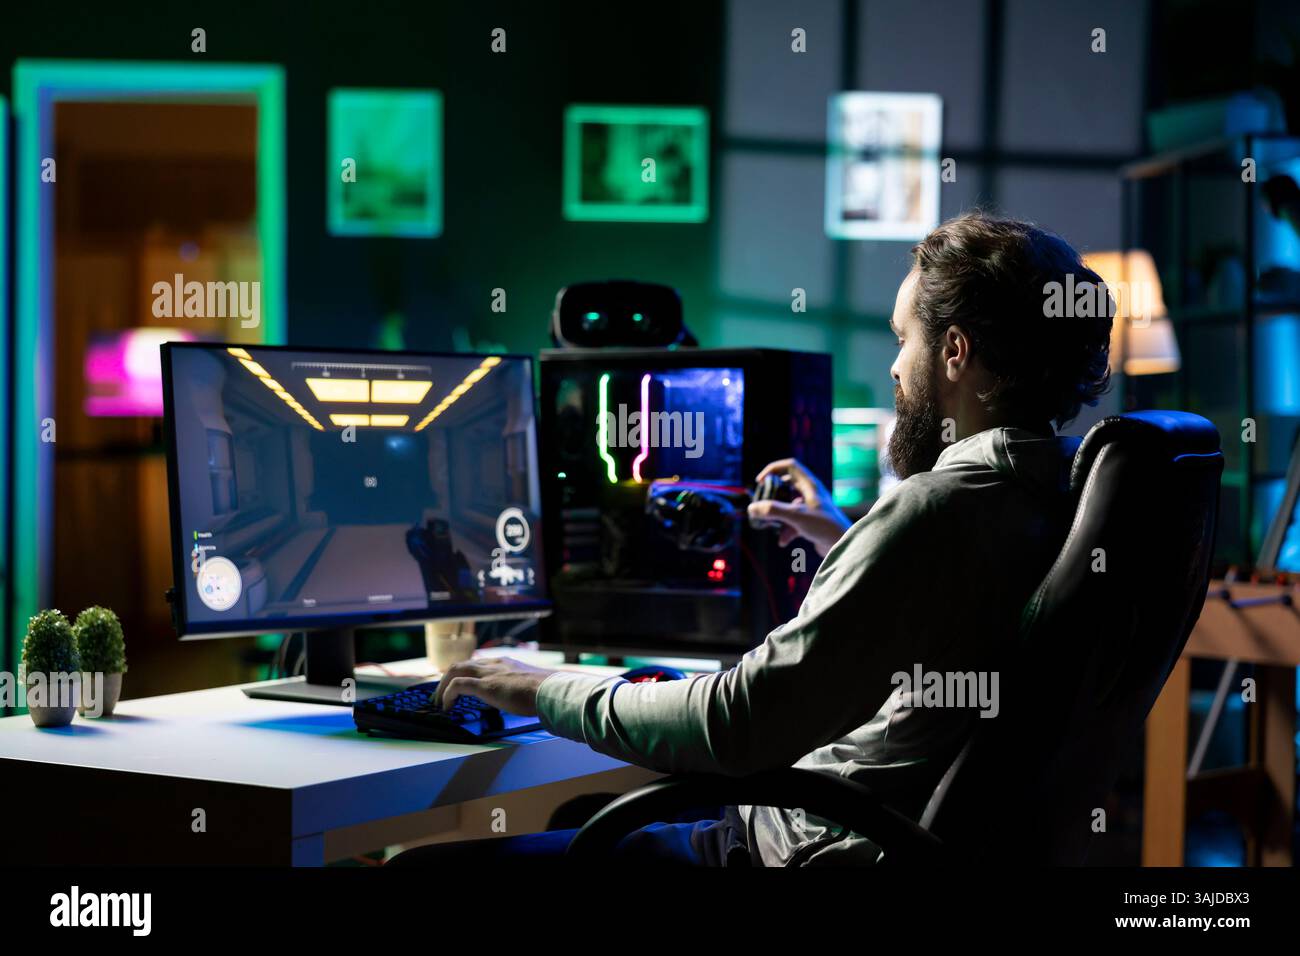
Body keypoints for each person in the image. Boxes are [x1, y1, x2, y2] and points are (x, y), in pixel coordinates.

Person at [387, 211, 1113, 867]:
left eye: (903, 340)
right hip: (886, 832)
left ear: (954, 351)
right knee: (586, 813)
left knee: (422, 868)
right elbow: (953, 603)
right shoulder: (1062, 492)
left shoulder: (934, 510)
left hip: (798, 849)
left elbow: (738, 723)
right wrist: (847, 534)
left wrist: (542, 688)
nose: (894, 367)